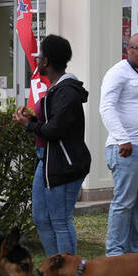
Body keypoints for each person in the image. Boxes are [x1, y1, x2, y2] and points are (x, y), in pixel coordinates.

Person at [13, 34, 91, 255]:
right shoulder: (56, 88)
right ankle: (53, 266)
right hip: (47, 160)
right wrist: (33, 121)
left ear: (46, 62)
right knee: (41, 216)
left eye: (40, 56)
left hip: (63, 163)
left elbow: (55, 129)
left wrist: (29, 125)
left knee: (60, 219)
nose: (37, 60)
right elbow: (51, 122)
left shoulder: (66, 91)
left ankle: (67, 269)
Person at [99, 32, 138, 256]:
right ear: (128, 49)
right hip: (127, 148)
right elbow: (106, 107)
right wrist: (122, 138)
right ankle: (115, 252)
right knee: (124, 203)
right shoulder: (117, 73)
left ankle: (134, 250)